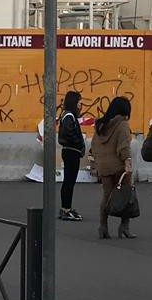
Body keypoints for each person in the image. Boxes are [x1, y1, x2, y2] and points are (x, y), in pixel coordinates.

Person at [91, 96, 135, 239]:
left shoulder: (101, 125)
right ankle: (124, 226)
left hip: (103, 167)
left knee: (107, 196)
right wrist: (128, 162)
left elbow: (93, 146)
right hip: (119, 166)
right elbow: (123, 146)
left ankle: (103, 226)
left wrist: (98, 162)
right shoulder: (122, 125)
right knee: (126, 195)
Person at [57, 91, 87, 222]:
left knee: (69, 181)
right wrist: (79, 143)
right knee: (69, 181)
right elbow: (69, 133)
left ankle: (67, 208)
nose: (81, 105)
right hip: (71, 151)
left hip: (71, 151)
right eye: (80, 103)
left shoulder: (68, 115)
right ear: (75, 102)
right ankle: (65, 209)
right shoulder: (69, 116)